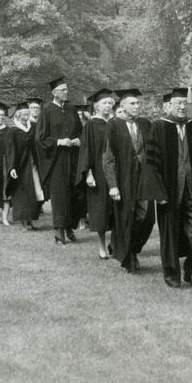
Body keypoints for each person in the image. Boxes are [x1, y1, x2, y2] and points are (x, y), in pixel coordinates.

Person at [142, 87, 192, 288]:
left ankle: (191, 269)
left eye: (185, 103)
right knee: (170, 234)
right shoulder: (159, 126)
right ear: (169, 105)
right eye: (178, 103)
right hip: (170, 192)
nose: (182, 107)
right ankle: (172, 275)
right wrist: (158, 192)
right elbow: (151, 163)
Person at [103, 88, 156, 273]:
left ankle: (133, 249)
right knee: (127, 220)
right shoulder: (114, 125)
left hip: (145, 180)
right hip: (124, 180)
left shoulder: (145, 124)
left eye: (137, 103)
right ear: (122, 106)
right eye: (132, 103)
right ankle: (129, 258)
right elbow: (108, 157)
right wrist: (113, 186)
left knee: (147, 219)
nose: (136, 106)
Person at [35, 77, 85, 243]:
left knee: (78, 193)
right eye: (62, 90)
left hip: (74, 157)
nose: (66, 92)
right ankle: (59, 231)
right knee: (60, 195)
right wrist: (58, 141)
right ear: (54, 93)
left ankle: (70, 224)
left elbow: (80, 131)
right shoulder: (47, 111)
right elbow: (40, 138)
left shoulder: (71, 109)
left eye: (66, 89)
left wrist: (79, 140)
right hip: (56, 159)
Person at [77, 88, 116, 257]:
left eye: (110, 103)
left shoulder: (116, 123)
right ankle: (101, 246)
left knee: (117, 209)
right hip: (98, 172)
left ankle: (115, 244)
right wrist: (88, 173)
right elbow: (86, 150)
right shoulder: (91, 125)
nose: (107, 106)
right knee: (101, 210)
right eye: (104, 103)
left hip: (116, 171)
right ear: (97, 107)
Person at [5, 100, 44, 229]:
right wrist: (12, 167)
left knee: (37, 193)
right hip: (20, 166)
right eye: (24, 114)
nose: (26, 117)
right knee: (22, 195)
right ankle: (23, 223)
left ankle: (31, 219)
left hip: (33, 165)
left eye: (28, 114)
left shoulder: (32, 127)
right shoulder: (13, 130)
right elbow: (10, 150)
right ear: (17, 115)